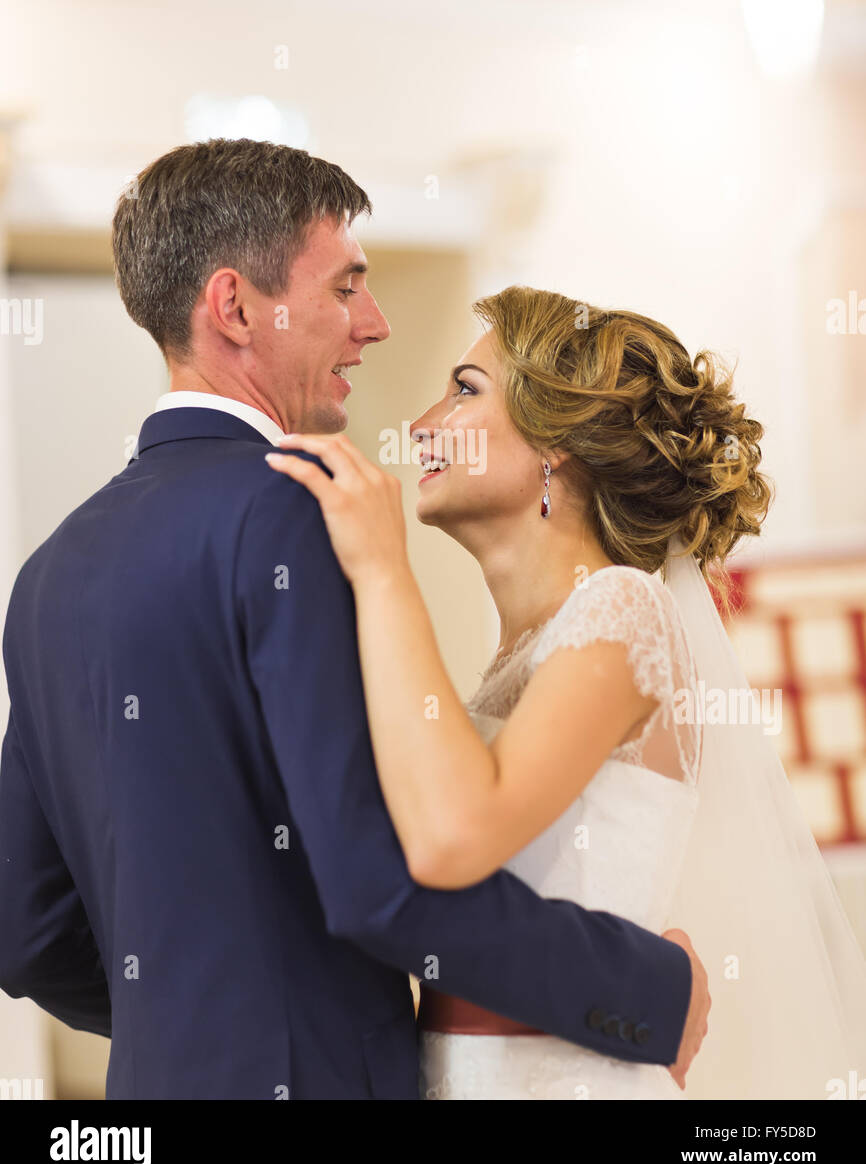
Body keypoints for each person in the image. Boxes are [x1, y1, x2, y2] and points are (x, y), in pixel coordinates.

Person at [0, 139, 708, 1100]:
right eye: (346, 288)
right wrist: (655, 990)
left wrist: (206, 1016)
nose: (373, 325)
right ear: (237, 309)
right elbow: (382, 883)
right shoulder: (298, 512)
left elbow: (27, 934)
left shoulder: (48, 574)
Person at [265, 284, 866, 1099]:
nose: (422, 425)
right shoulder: (514, 657)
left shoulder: (625, 610)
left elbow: (457, 836)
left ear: (559, 447)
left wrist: (382, 569)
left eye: (465, 390)